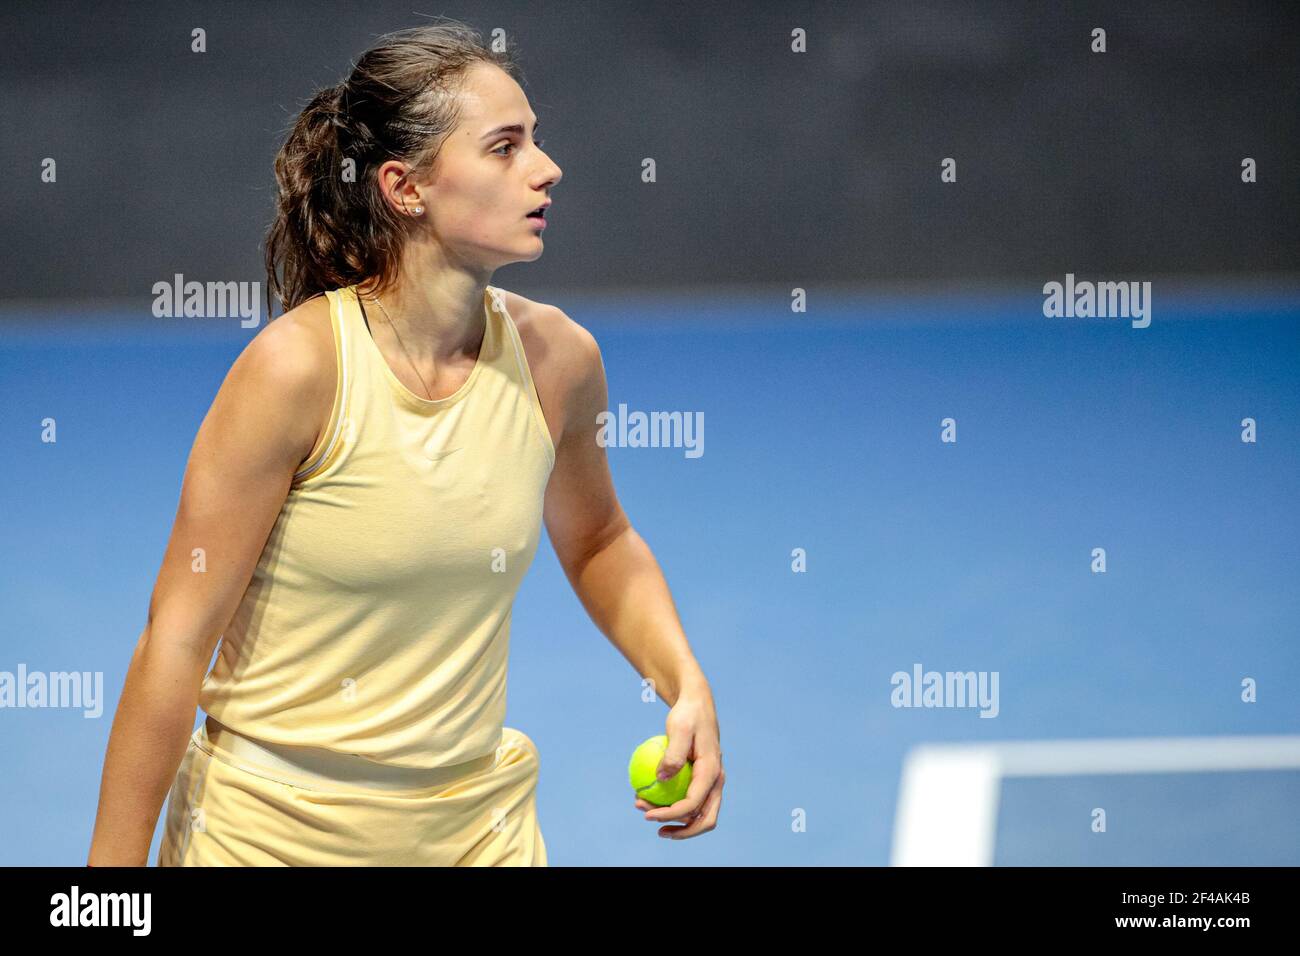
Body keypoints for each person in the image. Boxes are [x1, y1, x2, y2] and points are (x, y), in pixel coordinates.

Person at [87, 19, 723, 866]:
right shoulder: (295, 372)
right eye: (504, 147)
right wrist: (104, 890)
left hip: (475, 833)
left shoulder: (557, 362)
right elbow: (175, 637)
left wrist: (685, 680)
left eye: (534, 140)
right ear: (405, 186)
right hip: (268, 838)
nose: (546, 167)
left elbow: (600, 539)